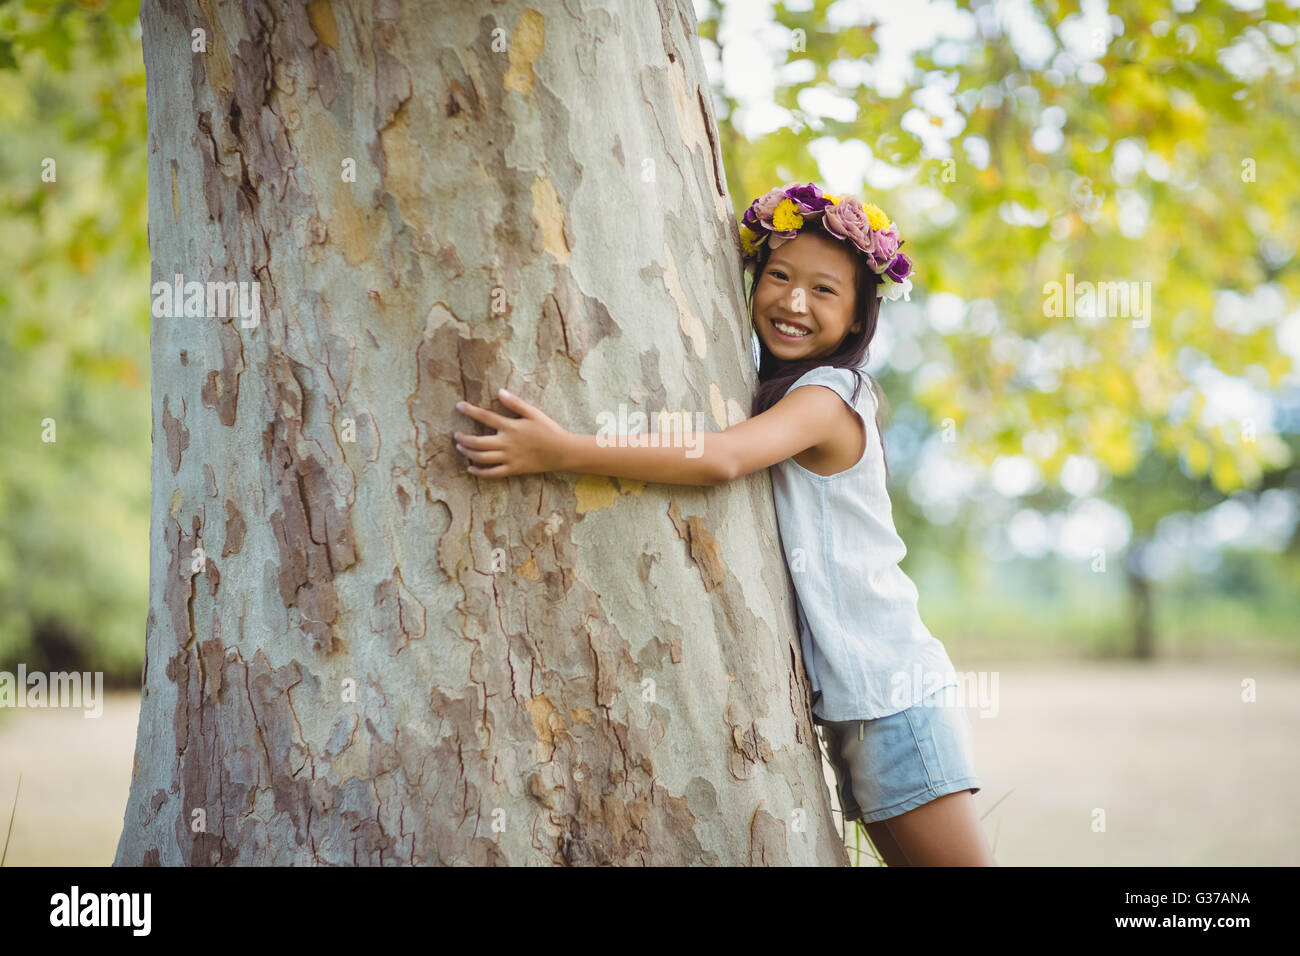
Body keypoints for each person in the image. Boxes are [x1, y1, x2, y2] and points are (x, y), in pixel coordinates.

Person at [453, 181, 996, 866]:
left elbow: (723, 459)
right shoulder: (771, 392)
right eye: (778, 276)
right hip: (857, 709)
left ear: (859, 318)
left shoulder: (833, 396)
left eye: (824, 290)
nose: (794, 301)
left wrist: (562, 452)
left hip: (893, 700)